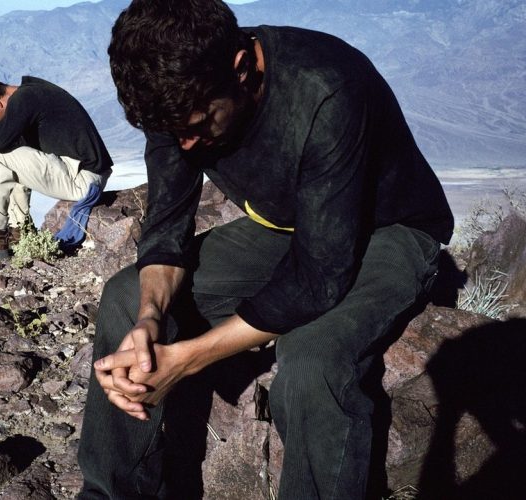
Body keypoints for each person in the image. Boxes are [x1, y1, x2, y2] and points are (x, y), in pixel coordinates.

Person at [77, 0, 454, 498]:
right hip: (287, 226)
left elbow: (318, 280)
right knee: (127, 296)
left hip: (390, 228)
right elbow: (167, 223)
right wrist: (150, 317)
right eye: (174, 132)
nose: (186, 145)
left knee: (313, 357)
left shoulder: (325, 88)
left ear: (240, 68)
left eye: (198, 125)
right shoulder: (171, 91)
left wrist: (186, 360)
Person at [0, 76, 113, 260]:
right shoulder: (33, 93)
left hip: (84, 179)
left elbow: (0, 139)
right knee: (10, 154)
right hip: (84, 174)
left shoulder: (26, 97)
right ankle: (19, 232)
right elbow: (12, 144)